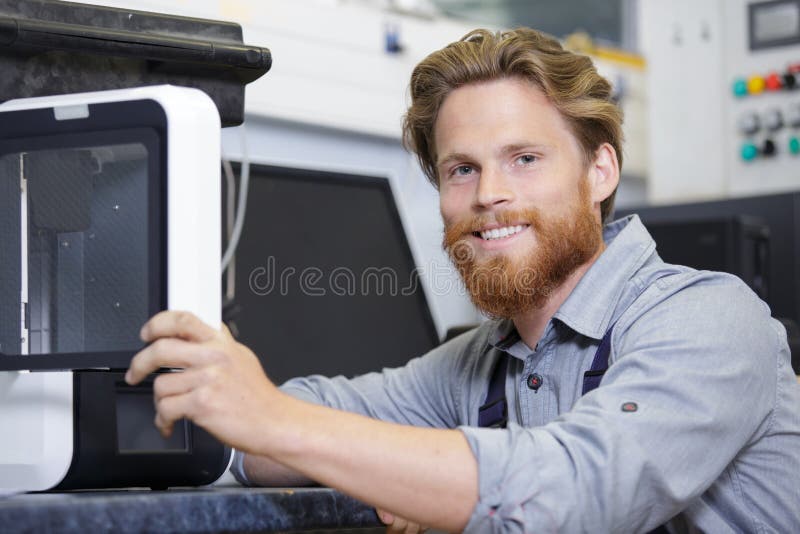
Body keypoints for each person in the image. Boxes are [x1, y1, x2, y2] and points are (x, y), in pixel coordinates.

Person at [125, 28, 800, 533]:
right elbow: (319, 412)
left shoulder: (711, 318)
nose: (489, 194)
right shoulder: (476, 368)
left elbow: (579, 493)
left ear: (600, 171)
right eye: (462, 170)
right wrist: (232, 410)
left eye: (525, 158)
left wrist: (279, 423)